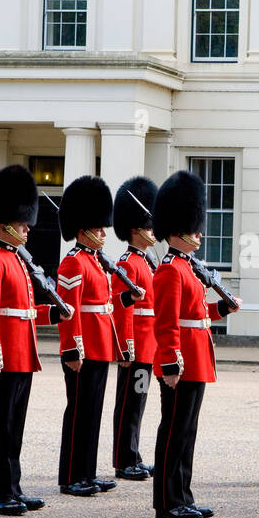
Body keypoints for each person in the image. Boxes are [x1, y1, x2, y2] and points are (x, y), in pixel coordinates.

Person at [0, 165, 71, 517]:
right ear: (4, 223)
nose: (28, 227)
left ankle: (12, 487)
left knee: (14, 429)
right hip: (2, 359)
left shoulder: (18, 261)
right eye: (22, 221)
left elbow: (23, 312)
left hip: (22, 355)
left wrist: (52, 315)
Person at [151, 170, 241, 518]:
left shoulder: (187, 268)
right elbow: (167, 322)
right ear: (177, 229)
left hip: (197, 356)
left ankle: (183, 495)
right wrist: (171, 364)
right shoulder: (171, 270)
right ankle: (167, 501)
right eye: (193, 226)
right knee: (174, 429)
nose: (200, 233)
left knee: (187, 430)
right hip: (182, 361)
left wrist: (222, 307)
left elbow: (196, 313)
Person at [56, 175, 132, 497]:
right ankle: (71, 476)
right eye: (99, 228)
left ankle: (87, 472)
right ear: (82, 229)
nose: (104, 233)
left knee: (93, 413)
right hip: (83, 349)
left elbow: (106, 306)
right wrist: (73, 350)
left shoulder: (96, 263)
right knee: (79, 412)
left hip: (99, 347)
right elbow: (68, 311)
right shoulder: (73, 263)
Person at [110, 176, 159, 481]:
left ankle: (133, 455)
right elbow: (121, 306)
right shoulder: (128, 263)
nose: (153, 231)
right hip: (136, 346)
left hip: (148, 344)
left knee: (138, 402)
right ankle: (123, 459)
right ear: (135, 230)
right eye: (148, 226)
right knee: (129, 403)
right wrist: (125, 347)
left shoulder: (147, 261)